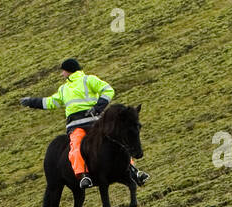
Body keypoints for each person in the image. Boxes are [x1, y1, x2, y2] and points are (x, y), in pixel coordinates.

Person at [20, 58, 148, 190]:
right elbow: (51, 102)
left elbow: (108, 90)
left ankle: (84, 176)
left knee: (76, 147)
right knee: (116, 142)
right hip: (92, 123)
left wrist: (98, 107)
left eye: (63, 71)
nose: (62, 74)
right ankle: (134, 171)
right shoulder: (67, 87)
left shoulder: (85, 81)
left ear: (68, 71)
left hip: (83, 125)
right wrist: (32, 102)